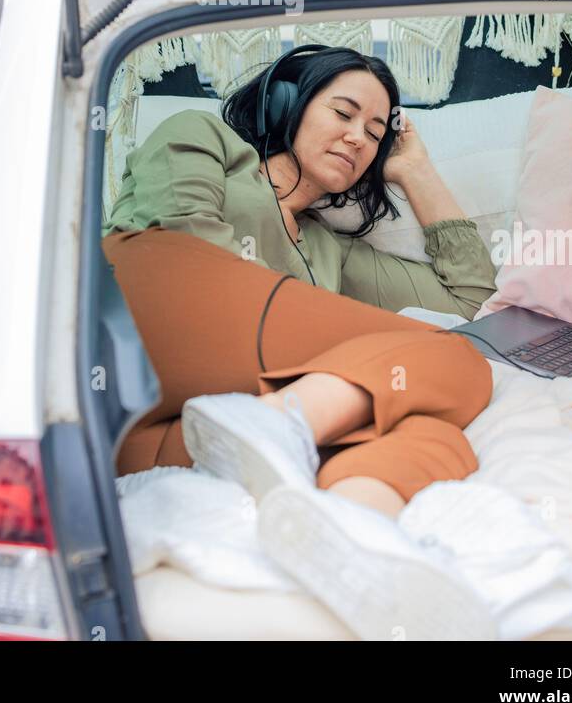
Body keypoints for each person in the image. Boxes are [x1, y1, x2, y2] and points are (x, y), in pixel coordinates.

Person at [103, 45, 499, 639]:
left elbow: (470, 302)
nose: (359, 139)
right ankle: (283, 414)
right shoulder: (202, 136)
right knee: (451, 361)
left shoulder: (329, 252)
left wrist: (415, 169)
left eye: (374, 132)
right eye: (343, 112)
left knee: (433, 415)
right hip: (147, 328)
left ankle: (353, 535)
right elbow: (187, 258)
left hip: (164, 438)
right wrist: (327, 352)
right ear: (288, 99)